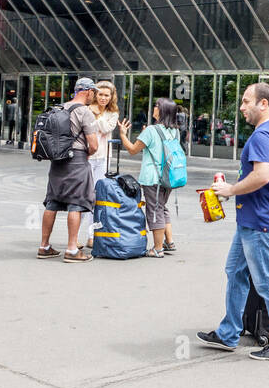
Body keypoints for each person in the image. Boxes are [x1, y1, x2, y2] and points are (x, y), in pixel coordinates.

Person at [197, 81, 269, 360]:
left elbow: (264, 175)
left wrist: (232, 189)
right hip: (255, 220)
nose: (241, 107)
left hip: (260, 223)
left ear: (263, 103)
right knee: (236, 271)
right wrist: (246, 192)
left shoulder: (263, 135)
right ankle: (229, 333)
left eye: (245, 101)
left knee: (268, 283)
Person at [38, 78, 100, 263]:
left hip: (56, 161)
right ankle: (72, 249)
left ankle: (44, 246)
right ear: (88, 91)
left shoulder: (60, 108)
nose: (94, 97)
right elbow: (94, 145)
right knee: (76, 203)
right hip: (77, 161)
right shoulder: (85, 112)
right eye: (94, 93)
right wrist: (87, 155)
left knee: (52, 202)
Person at [117, 97, 180, 257]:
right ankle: (169, 241)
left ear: (163, 111)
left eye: (157, 106)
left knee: (154, 210)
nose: (154, 108)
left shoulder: (151, 130)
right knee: (162, 207)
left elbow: (132, 149)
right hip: (169, 176)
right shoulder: (175, 131)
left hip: (153, 178)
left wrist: (123, 134)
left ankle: (157, 249)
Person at [79, 79, 122, 250]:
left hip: (102, 158)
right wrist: (96, 118)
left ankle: (92, 235)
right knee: (82, 196)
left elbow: (104, 128)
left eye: (107, 95)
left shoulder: (113, 113)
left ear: (112, 97)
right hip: (86, 157)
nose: (103, 98)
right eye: (101, 94)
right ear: (95, 94)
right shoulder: (86, 109)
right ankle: (74, 236)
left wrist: (97, 117)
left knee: (96, 197)